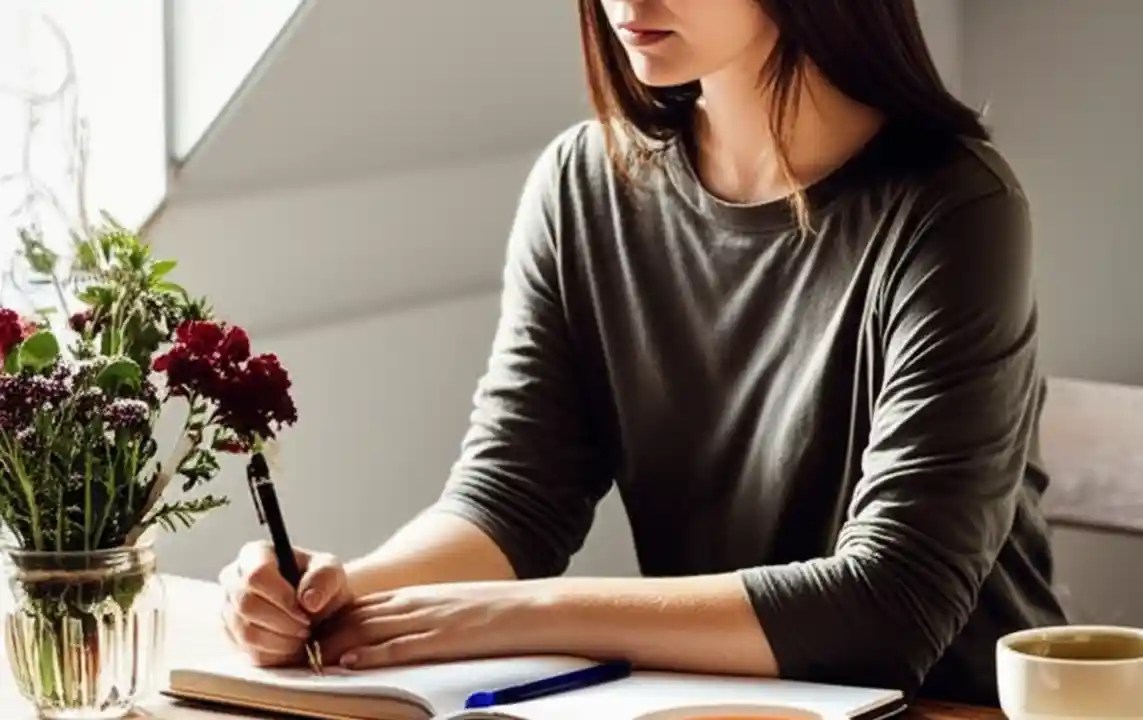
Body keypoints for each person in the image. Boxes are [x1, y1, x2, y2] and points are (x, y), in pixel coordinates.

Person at [219, 0, 1066, 706]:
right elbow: (511, 500)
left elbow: (889, 608)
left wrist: (508, 615)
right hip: (726, 708)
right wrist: (334, 596)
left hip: (946, 708)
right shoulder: (584, 186)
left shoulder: (956, 212)